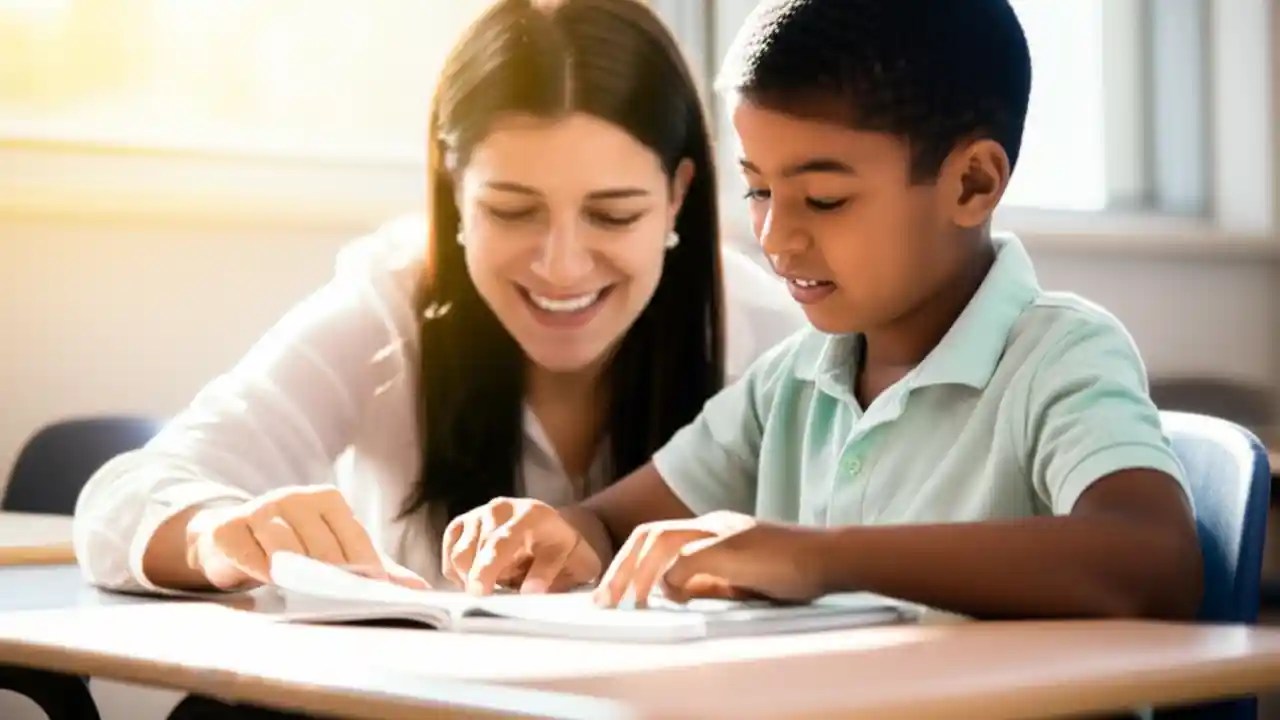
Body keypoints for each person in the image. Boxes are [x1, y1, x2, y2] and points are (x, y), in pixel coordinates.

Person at [441, 0, 1204, 620]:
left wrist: (818, 556)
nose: (775, 235)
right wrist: (557, 530)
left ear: (971, 184)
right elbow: (609, 523)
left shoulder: (1060, 356)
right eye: (759, 189)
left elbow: (1152, 560)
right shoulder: (792, 384)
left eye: (825, 198)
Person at [72, 0, 803, 593]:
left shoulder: (770, 335)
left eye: (613, 215)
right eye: (512, 211)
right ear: (456, 194)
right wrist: (216, 535)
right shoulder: (386, 307)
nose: (561, 265)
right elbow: (121, 499)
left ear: (677, 198)